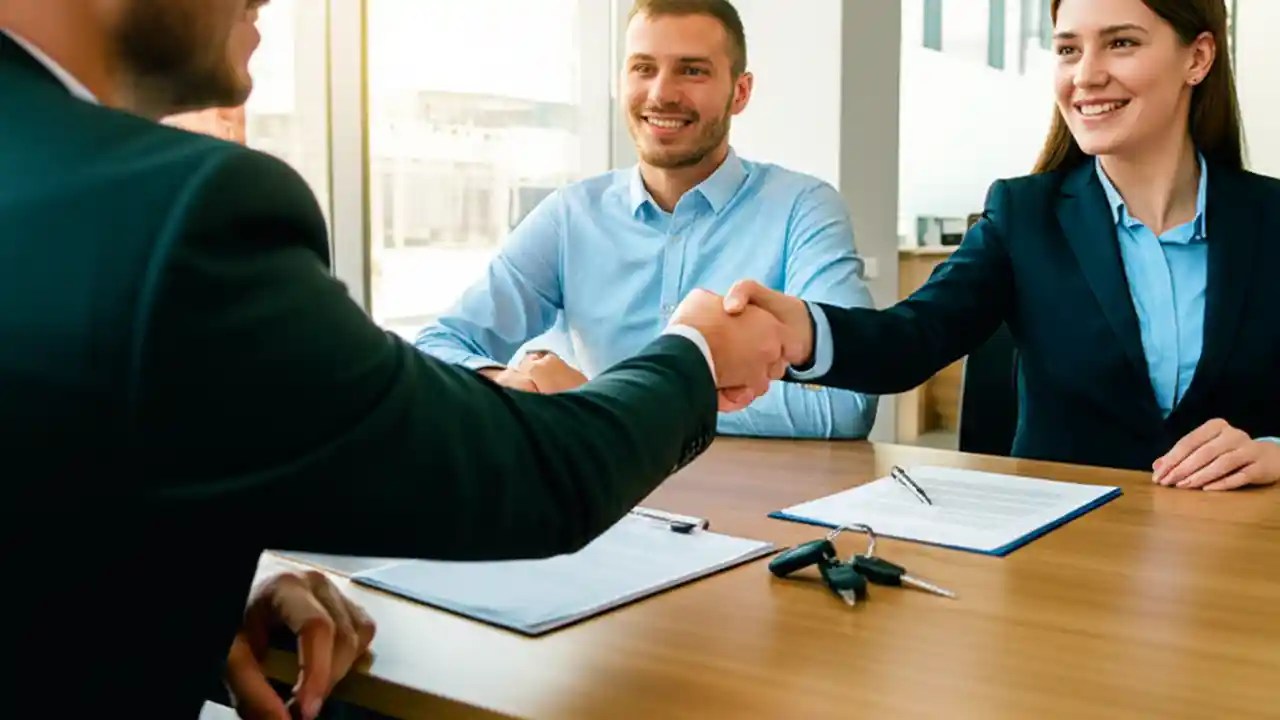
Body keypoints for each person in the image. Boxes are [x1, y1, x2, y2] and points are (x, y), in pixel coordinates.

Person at [0, 1, 800, 717]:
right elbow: (531, 476)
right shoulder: (176, 211)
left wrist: (210, 586)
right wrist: (696, 352)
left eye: (692, 69)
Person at [722, 0, 1280, 489]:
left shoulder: (1271, 219)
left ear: (1198, 58)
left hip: (1236, 558)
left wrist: (1276, 452)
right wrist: (800, 330)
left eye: (1122, 43)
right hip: (1066, 557)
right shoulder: (1023, 214)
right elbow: (912, 337)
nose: (1085, 75)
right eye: (1067, 49)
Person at [414, 0, 877, 440]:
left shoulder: (803, 208)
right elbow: (437, 346)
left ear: (740, 92)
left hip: (743, 500)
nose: (661, 94)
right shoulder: (571, 215)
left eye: (692, 70)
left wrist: (604, 400)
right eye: (643, 68)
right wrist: (507, 380)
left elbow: (847, 403)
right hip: (600, 495)